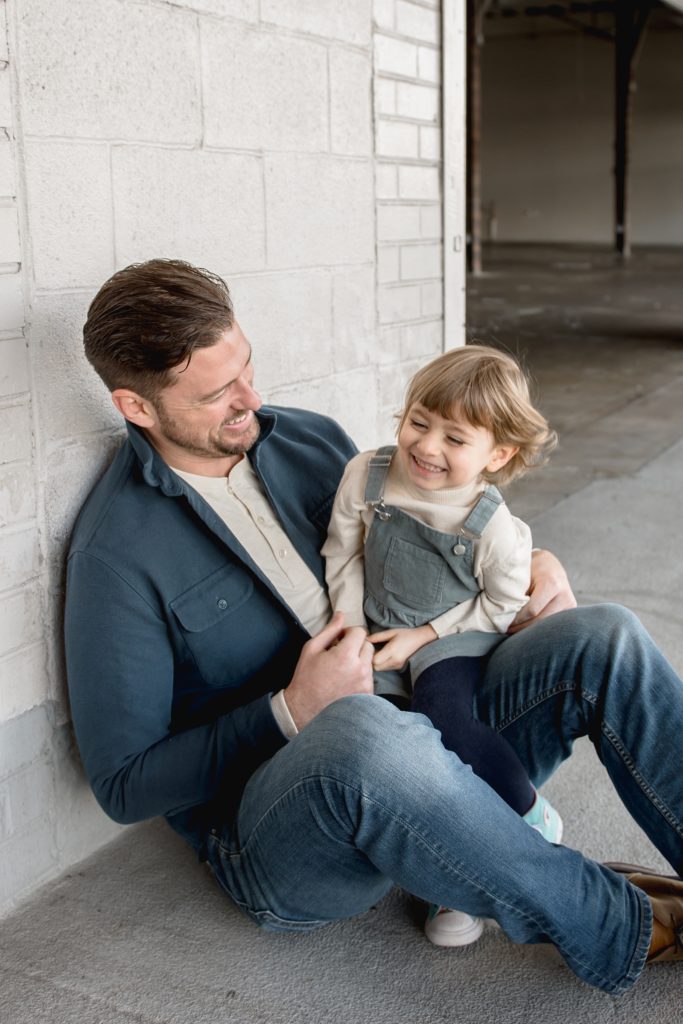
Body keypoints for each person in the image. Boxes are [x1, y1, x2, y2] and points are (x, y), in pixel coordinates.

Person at [65, 258, 683, 997]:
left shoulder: (305, 440)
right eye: (217, 394)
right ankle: (626, 929)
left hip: (423, 707)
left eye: (247, 369)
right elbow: (123, 786)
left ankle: (465, 850)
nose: (252, 399)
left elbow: (427, 526)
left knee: (603, 637)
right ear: (137, 407)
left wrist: (531, 562)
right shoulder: (117, 552)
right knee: (365, 733)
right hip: (282, 828)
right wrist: (290, 712)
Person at [322, 345, 563, 946]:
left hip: (454, 633)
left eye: (456, 439)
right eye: (419, 423)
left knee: (445, 718)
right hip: (377, 623)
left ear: (497, 454)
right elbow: (343, 550)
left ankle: (526, 810)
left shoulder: (493, 528)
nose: (427, 448)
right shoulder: (368, 474)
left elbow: (500, 603)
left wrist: (424, 636)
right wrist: (350, 625)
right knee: (386, 740)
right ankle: (445, 881)